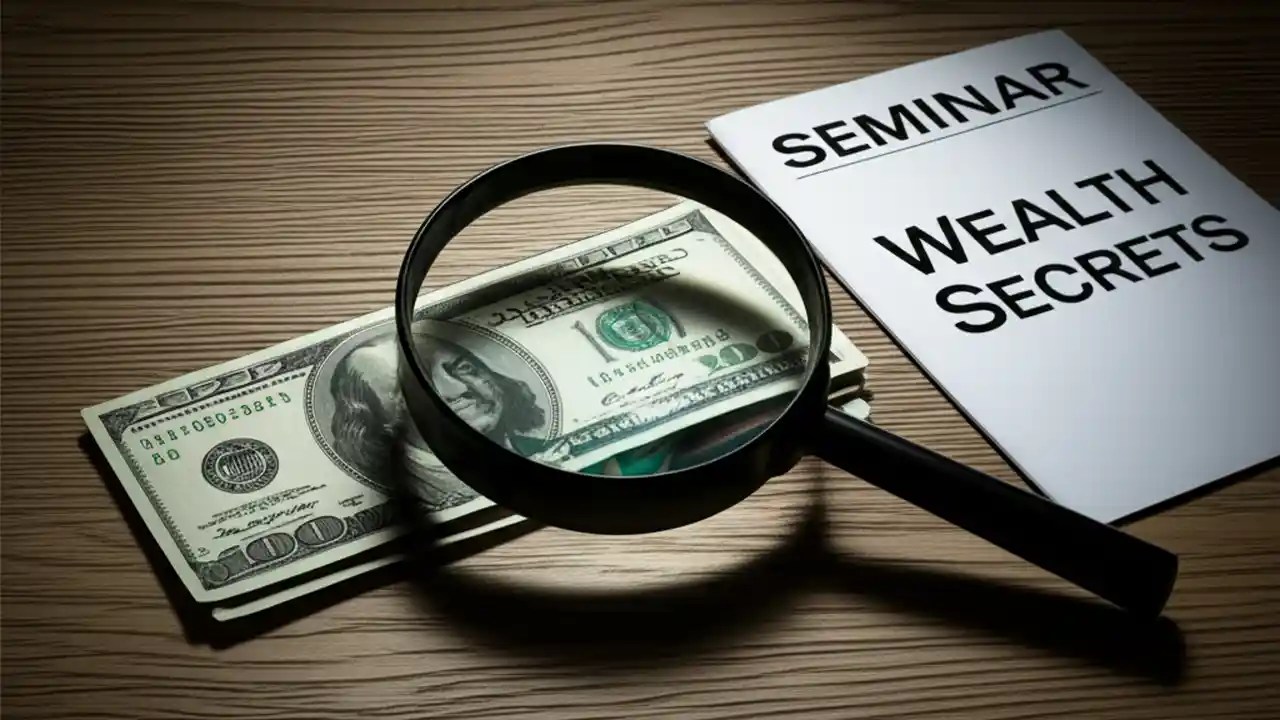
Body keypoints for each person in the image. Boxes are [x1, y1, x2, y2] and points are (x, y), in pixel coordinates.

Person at [326, 324, 548, 512]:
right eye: (412, 388)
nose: (458, 388)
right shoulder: (417, 494)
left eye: (463, 368)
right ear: (377, 417)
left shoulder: (542, 449)